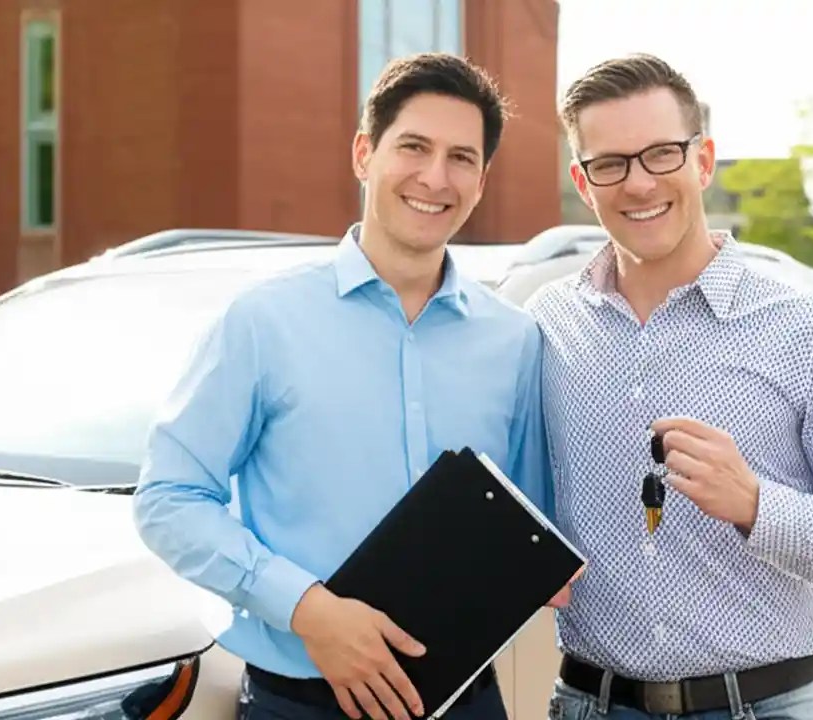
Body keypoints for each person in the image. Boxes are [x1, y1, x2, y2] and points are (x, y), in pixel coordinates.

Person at [134, 52, 562, 720]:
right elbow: (169, 499)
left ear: (481, 181)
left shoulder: (514, 341)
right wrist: (308, 609)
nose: (435, 177)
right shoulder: (264, 322)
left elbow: (530, 519)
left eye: (461, 158)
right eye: (413, 147)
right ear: (364, 153)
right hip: (301, 703)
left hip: (468, 703)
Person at [526, 54, 813, 720]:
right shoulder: (546, 324)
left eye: (662, 154)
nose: (639, 183)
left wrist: (755, 505)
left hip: (765, 706)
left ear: (704, 160)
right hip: (590, 704)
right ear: (583, 181)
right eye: (611, 164)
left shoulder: (811, 329)